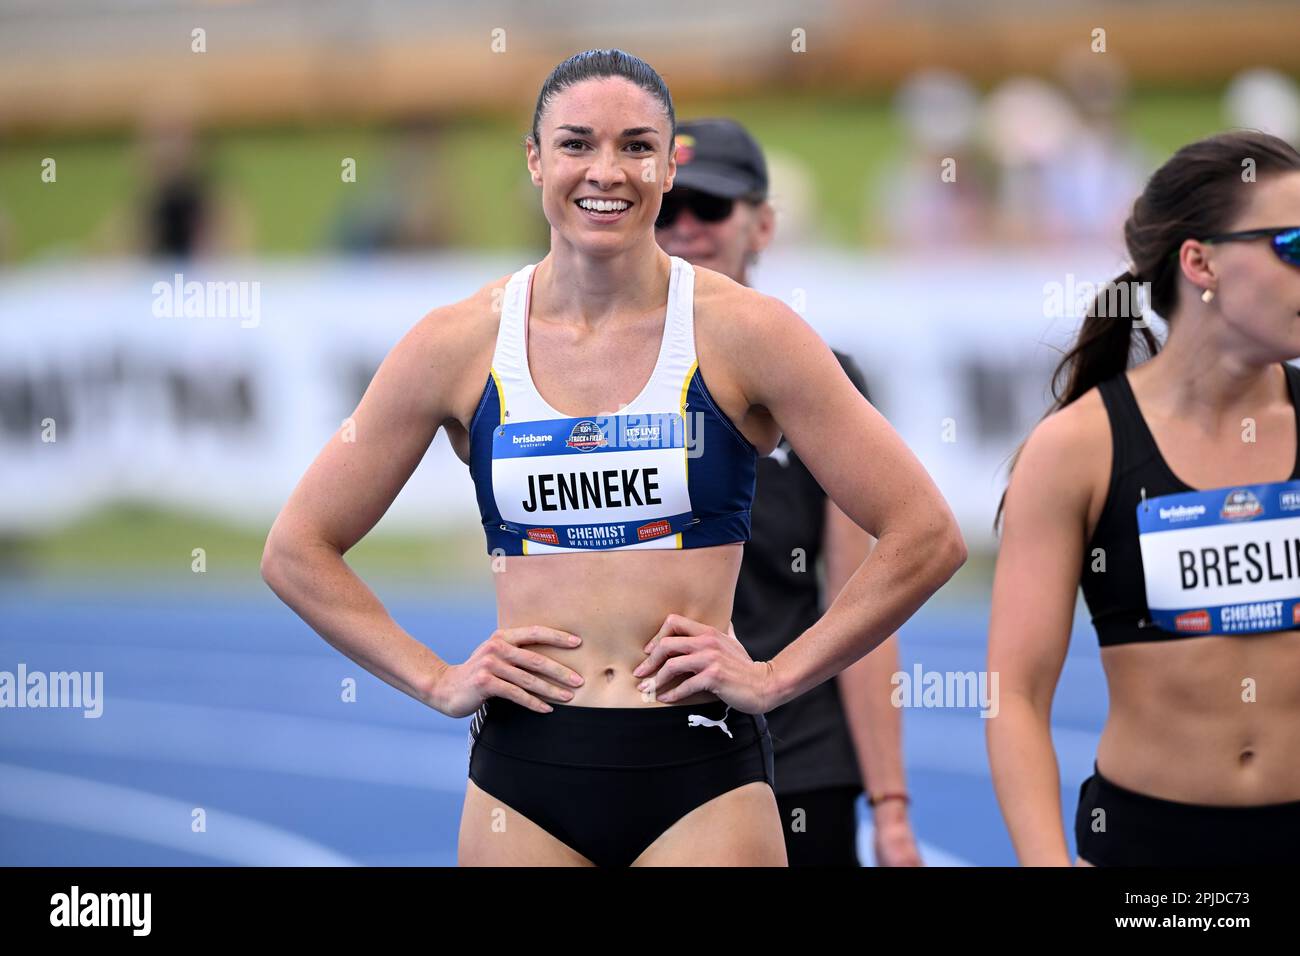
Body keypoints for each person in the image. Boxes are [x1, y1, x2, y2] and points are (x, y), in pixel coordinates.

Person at [261, 48, 965, 867]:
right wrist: (436, 679)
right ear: (534, 161)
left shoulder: (747, 333)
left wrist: (776, 676)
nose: (607, 171)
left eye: (636, 146)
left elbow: (925, 533)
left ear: (669, 165)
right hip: (523, 781)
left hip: (702, 775)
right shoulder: (454, 344)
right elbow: (296, 549)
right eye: (576, 144)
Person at [988, 129, 1300, 866]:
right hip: (1150, 852)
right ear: (1201, 262)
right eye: (1292, 245)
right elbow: (1017, 698)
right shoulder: (1078, 450)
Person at [655, 117, 921, 867]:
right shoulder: (585, 378)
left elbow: (861, 588)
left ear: (763, 225)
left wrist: (892, 806)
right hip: (635, 756)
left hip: (794, 756)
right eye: (666, 208)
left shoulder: (821, 381)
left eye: (709, 208)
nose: (684, 228)